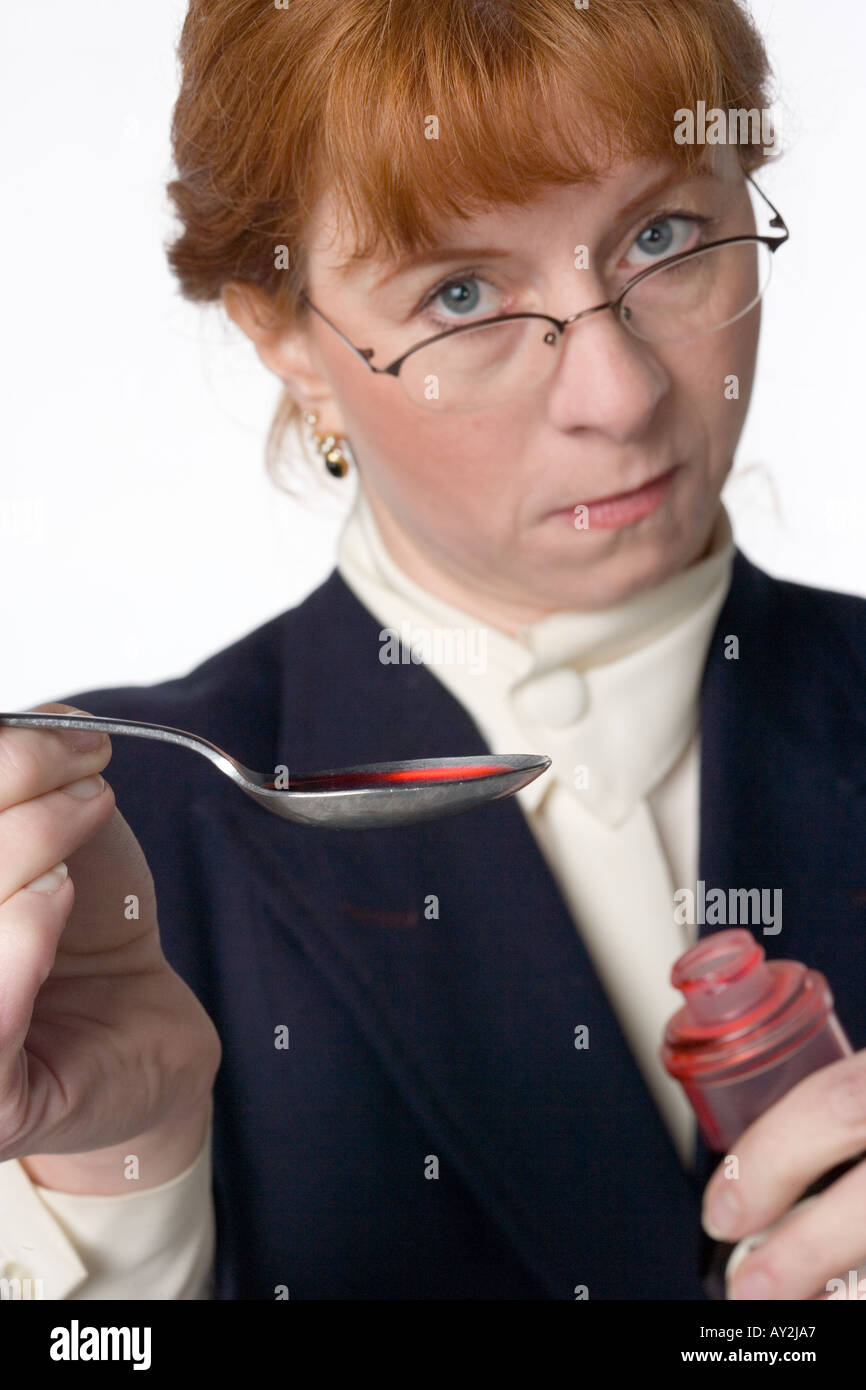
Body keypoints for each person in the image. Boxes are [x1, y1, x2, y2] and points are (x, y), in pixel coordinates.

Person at [1, 0, 865, 1302]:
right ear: (285, 337)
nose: (618, 396)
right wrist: (118, 1187)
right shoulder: (100, 852)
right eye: (460, 293)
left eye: (663, 234)